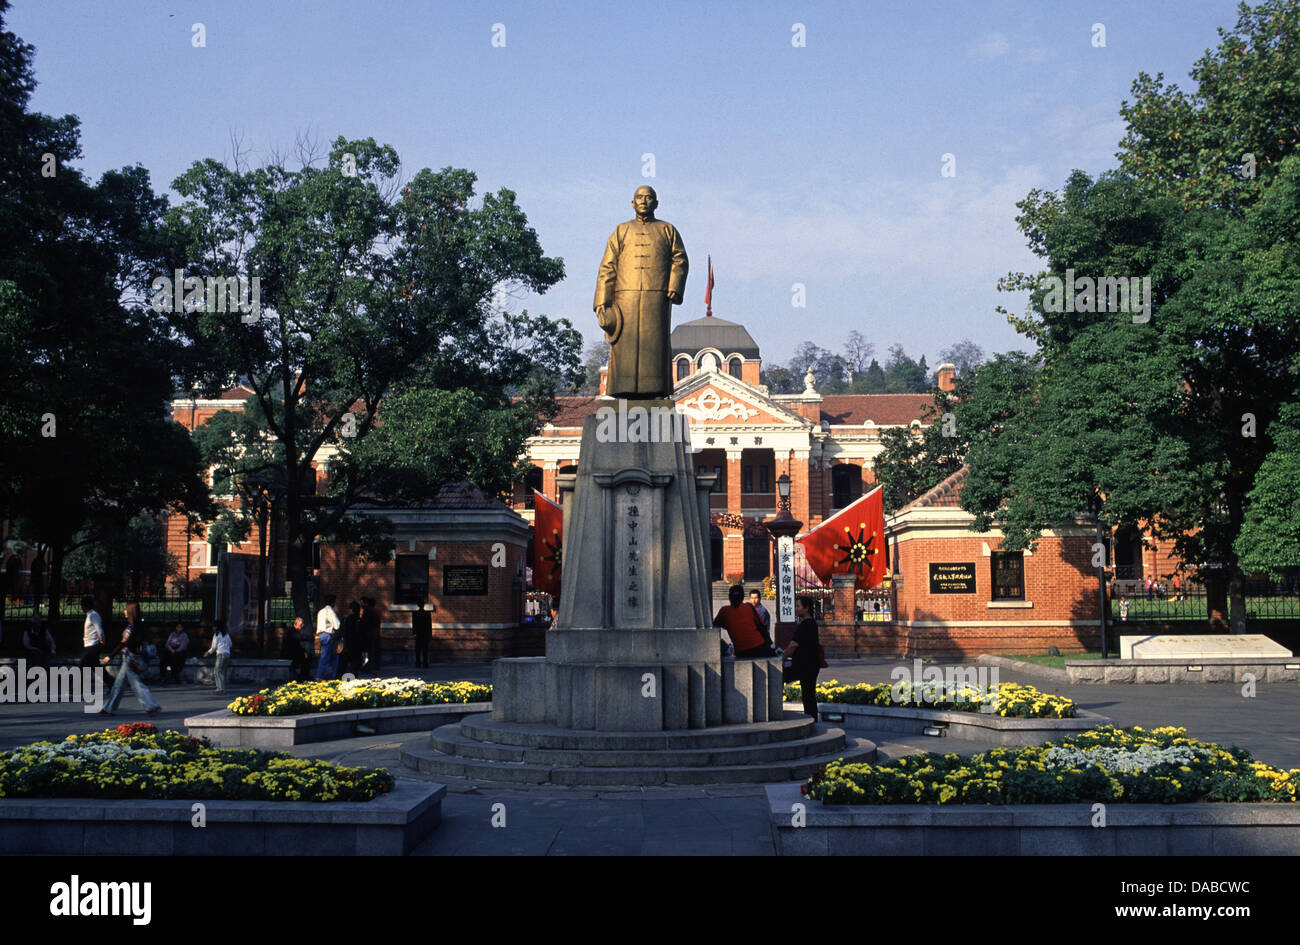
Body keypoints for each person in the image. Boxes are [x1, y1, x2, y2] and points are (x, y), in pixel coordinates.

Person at [593, 185, 689, 397]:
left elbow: (680, 259)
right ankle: (622, 389)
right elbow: (607, 267)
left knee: (655, 345)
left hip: (656, 298)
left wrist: (674, 285)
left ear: (656, 203)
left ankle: (656, 389)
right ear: (633, 203)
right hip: (624, 299)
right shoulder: (621, 230)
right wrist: (602, 302)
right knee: (624, 345)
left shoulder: (667, 229)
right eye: (639, 197)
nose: (644, 201)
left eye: (648, 197)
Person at [100, 603, 162, 716]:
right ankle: (108, 707)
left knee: (136, 683)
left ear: (130, 613)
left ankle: (151, 705)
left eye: (125, 609)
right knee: (118, 684)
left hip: (129, 658)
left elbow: (123, 644)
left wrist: (110, 656)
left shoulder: (130, 628)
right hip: (134, 658)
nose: (124, 611)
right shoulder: (140, 626)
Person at [783, 596, 822, 720]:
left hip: (805, 665)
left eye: (798, 606)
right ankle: (812, 719)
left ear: (806, 609)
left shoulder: (806, 625)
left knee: (780, 677)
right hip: (810, 665)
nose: (796, 609)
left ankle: (812, 719)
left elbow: (794, 644)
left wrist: (782, 658)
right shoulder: (811, 623)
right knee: (808, 694)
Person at [713, 584, 774, 658]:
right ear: (742, 597)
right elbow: (761, 626)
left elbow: (715, 625)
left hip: (741, 651)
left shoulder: (724, 611)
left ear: (729, 597)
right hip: (760, 647)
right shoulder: (749, 607)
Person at [316, 595, 341, 680]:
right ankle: (320, 676)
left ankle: (329, 674)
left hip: (321, 635)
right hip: (328, 635)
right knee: (326, 656)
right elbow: (337, 625)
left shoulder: (321, 611)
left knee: (329, 656)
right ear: (333, 602)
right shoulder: (329, 611)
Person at [339, 601, 366, 677]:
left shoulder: (346, 619)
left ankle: (343, 679)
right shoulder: (361, 620)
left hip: (347, 645)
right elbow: (363, 634)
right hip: (357, 646)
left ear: (351, 610)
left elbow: (342, 632)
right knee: (355, 667)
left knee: (344, 666)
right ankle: (353, 680)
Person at [205, 625, 233, 694]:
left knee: (217, 671)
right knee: (223, 671)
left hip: (220, 654)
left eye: (214, 626)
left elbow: (214, 647)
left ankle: (219, 689)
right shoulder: (226, 634)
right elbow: (230, 644)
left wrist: (208, 652)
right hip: (227, 654)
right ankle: (223, 688)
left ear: (217, 627)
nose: (213, 627)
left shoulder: (216, 634)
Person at [80, 596, 105, 667]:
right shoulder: (90, 615)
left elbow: (99, 630)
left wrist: (102, 642)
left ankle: (107, 678)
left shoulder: (93, 615)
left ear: (84, 606)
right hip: (89, 646)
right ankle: (108, 678)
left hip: (91, 646)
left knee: (82, 667)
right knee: (96, 667)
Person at [360, 597, 381, 671]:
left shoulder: (367, 611)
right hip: (375, 633)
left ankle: (367, 666)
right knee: (374, 651)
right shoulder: (377, 611)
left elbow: (365, 623)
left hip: (368, 634)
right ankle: (375, 666)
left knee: (368, 651)